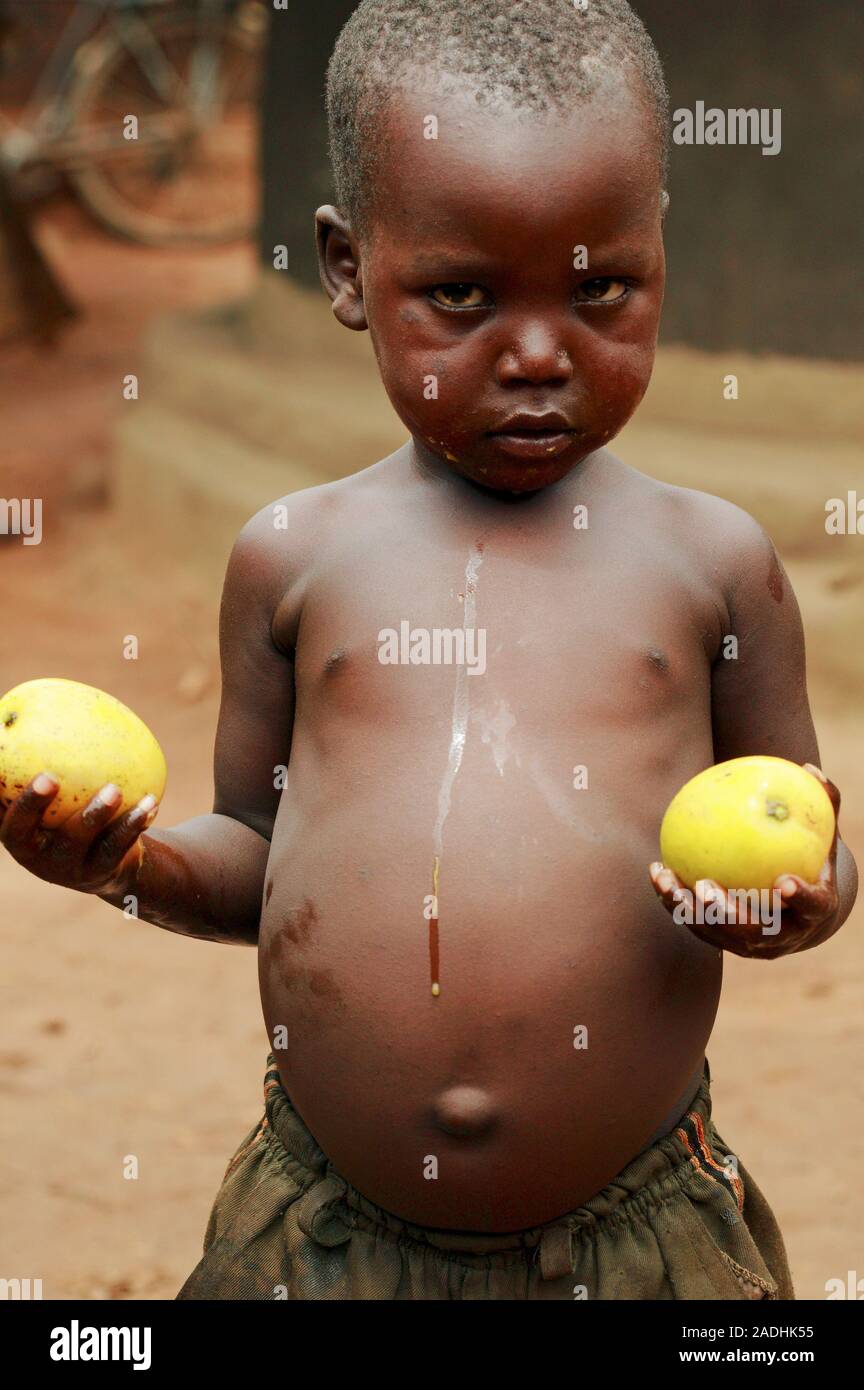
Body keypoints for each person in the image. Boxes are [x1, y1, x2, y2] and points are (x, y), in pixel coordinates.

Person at [2, 0, 856, 1300]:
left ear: (659, 253)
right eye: (459, 295)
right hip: (322, 1236)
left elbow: (809, 834)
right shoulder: (295, 557)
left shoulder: (714, 563)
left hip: (640, 1239)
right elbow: (255, 850)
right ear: (348, 271)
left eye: (598, 289)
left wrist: (792, 904)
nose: (532, 353)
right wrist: (122, 862)